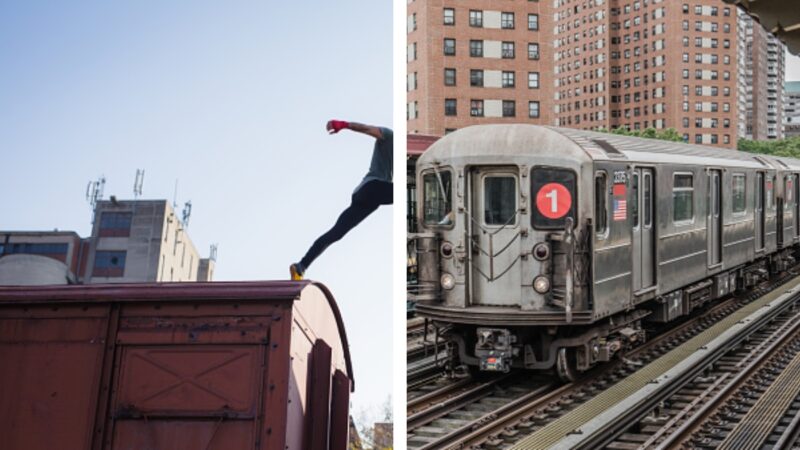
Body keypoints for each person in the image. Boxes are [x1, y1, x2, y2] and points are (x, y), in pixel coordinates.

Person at [290, 119, 393, 280]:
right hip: (373, 187)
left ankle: (301, 266)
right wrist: (344, 125)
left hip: (366, 198)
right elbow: (366, 129)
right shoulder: (389, 135)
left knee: (336, 233)